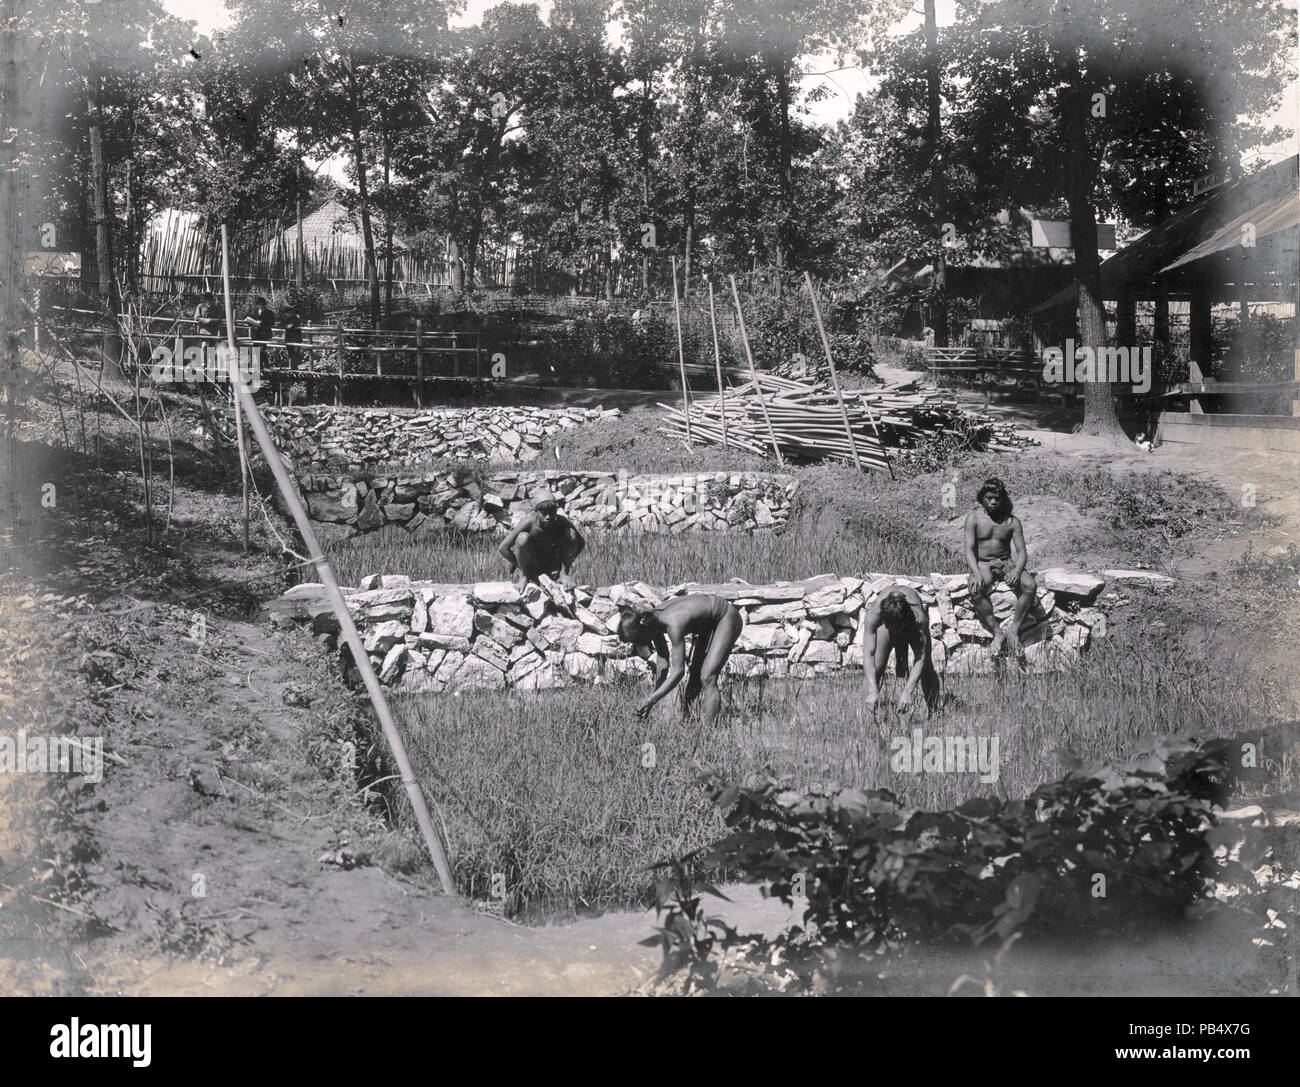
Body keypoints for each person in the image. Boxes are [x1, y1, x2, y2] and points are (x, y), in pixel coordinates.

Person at [617, 594, 743, 728]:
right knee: (695, 674)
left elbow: (678, 672)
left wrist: (650, 700)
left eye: (637, 640)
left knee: (707, 677)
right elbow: (663, 659)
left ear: (642, 628)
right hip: (708, 626)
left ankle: (708, 735)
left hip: (726, 618)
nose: (639, 644)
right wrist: (655, 698)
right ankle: (687, 723)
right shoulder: (651, 621)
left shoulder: (672, 623)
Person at [963, 477, 1037, 656]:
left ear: (1003, 499)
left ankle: (1013, 630)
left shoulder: (1012, 522)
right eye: (989, 498)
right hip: (983, 563)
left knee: (1030, 586)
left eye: (997, 498)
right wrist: (976, 573)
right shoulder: (973, 518)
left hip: (1005, 562)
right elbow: (969, 549)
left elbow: (1022, 553)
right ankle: (997, 632)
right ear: (982, 498)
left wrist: (1017, 571)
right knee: (975, 589)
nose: (993, 501)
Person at [861, 584, 941, 720]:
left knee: (927, 667)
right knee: (878, 665)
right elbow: (869, 655)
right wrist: (872, 689)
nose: (888, 627)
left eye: (891, 626)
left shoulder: (919, 618)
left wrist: (907, 692)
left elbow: (921, 658)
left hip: (910, 626)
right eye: (886, 624)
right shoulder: (874, 615)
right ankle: (867, 717)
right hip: (894, 619)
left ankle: (934, 713)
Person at [498, 498, 585, 588]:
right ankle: (524, 577)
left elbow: (581, 543)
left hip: (552, 563)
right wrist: (522, 567)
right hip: (533, 563)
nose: (548, 517)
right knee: (522, 538)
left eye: (551, 513)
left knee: (571, 533)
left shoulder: (561, 522)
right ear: (535, 512)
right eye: (543, 513)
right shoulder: (528, 523)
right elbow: (503, 548)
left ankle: (564, 575)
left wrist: (563, 568)